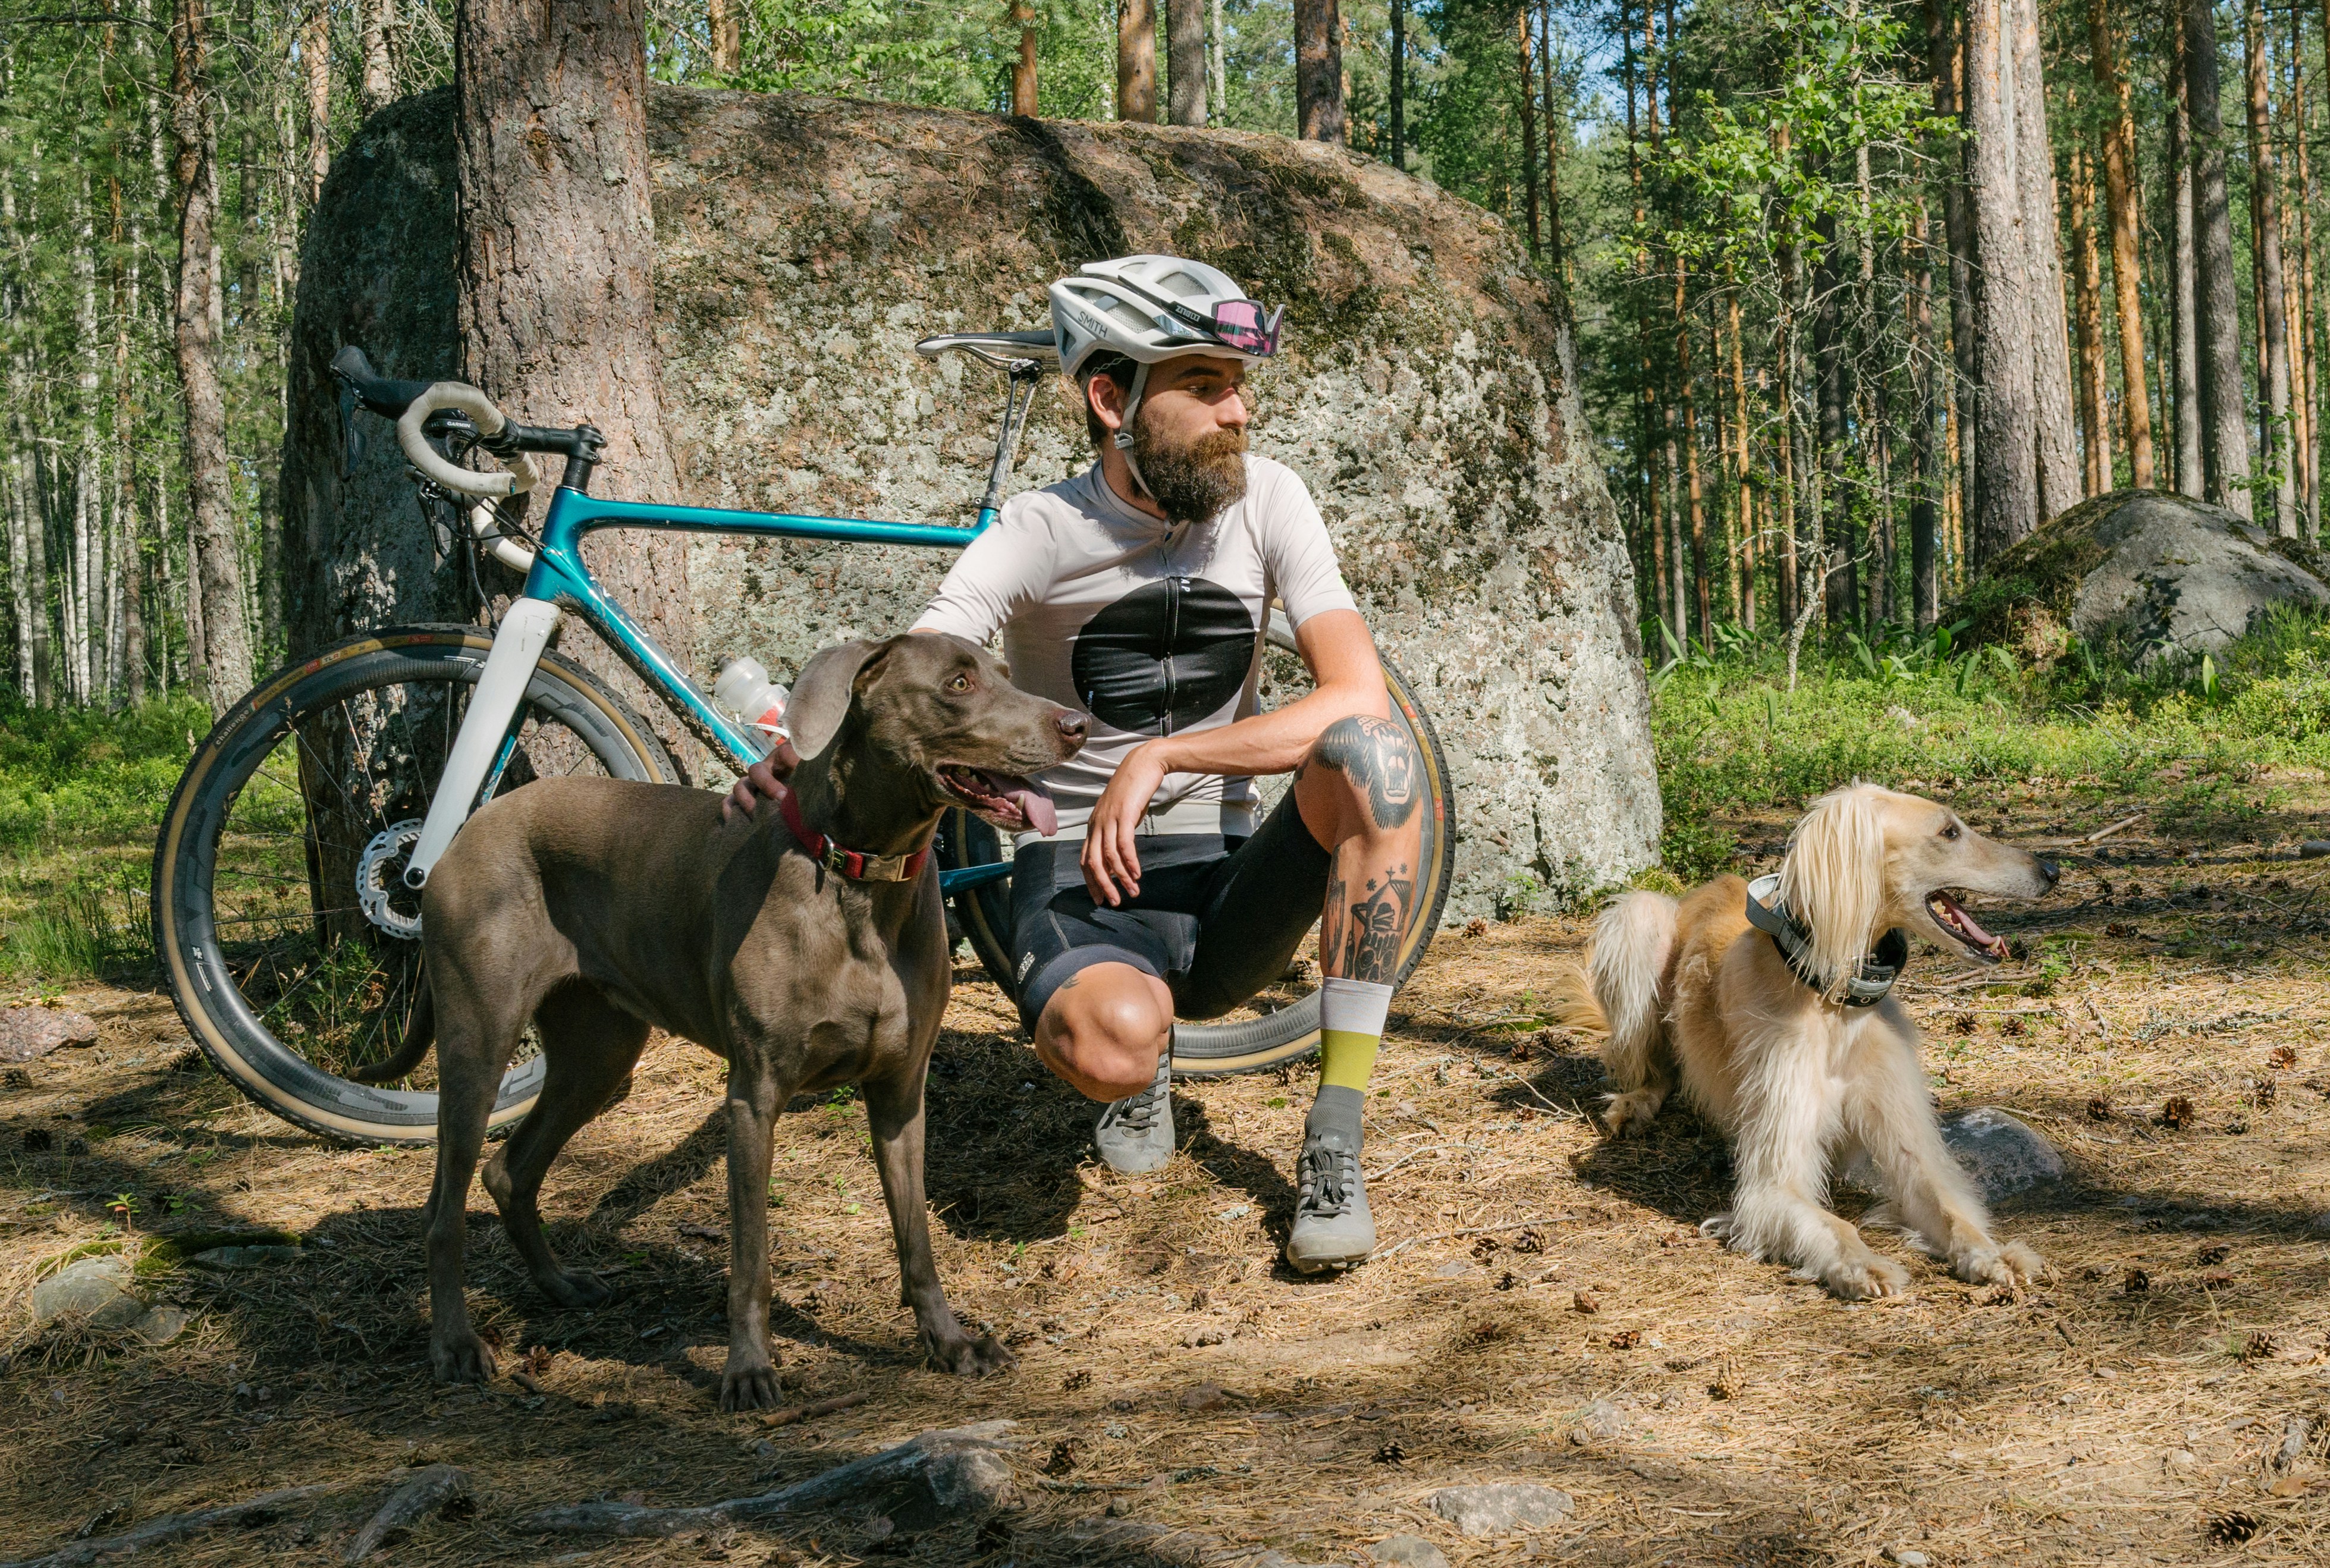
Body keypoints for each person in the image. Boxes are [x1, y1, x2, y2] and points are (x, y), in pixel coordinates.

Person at [726, 255, 1424, 1272]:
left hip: (1224, 876)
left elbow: (1356, 695)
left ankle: (1335, 1134)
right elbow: (917, 672)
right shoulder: (1041, 529)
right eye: (1204, 384)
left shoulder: (1271, 499)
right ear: (1111, 397)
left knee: (1374, 753)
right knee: (1111, 1047)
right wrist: (805, 753)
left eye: (1240, 385)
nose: (1239, 412)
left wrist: (1163, 755)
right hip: (1079, 878)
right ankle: (1137, 1061)